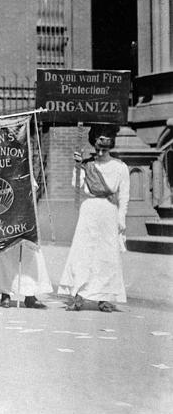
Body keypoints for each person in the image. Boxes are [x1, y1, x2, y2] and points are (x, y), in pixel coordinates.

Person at [58, 124, 129, 312]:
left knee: (106, 255)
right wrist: (78, 165)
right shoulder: (87, 165)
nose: (100, 151)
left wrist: (121, 218)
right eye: (98, 147)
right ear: (93, 143)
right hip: (89, 209)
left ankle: (104, 298)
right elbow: (77, 184)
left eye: (104, 148)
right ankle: (79, 296)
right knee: (83, 252)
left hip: (108, 211)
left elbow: (124, 195)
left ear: (110, 146)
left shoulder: (120, 167)